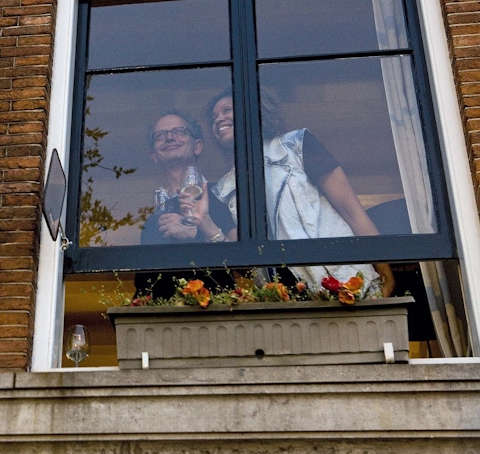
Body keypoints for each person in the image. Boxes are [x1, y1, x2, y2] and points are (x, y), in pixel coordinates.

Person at [203, 88, 395, 296]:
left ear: (253, 111)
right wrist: (204, 222)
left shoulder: (298, 146)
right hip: (282, 302)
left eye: (227, 110)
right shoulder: (222, 190)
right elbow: (243, 265)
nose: (218, 119)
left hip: (344, 286)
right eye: (214, 117)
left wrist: (386, 275)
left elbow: (353, 212)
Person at [135, 111, 237, 299]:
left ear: (197, 146)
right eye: (160, 136)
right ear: (154, 155)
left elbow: (242, 264)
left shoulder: (222, 195)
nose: (170, 138)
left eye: (179, 131)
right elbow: (146, 284)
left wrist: (199, 232)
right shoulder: (151, 220)